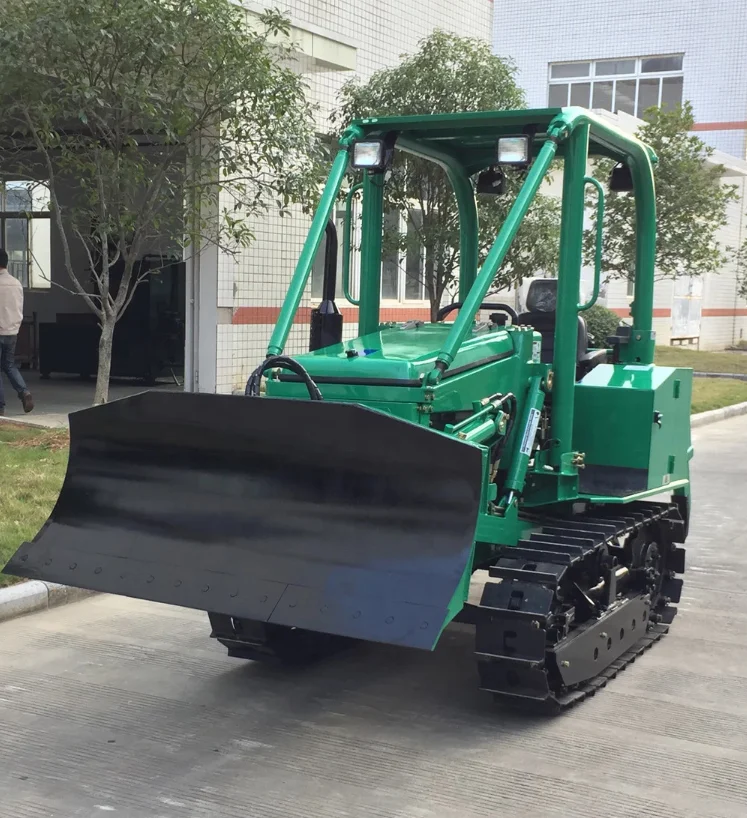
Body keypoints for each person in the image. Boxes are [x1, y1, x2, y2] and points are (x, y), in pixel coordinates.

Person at [0, 248, 34, 416]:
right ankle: (24, 393)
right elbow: (18, 307)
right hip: (12, 331)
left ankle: (0, 406)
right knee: (9, 364)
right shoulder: (16, 283)